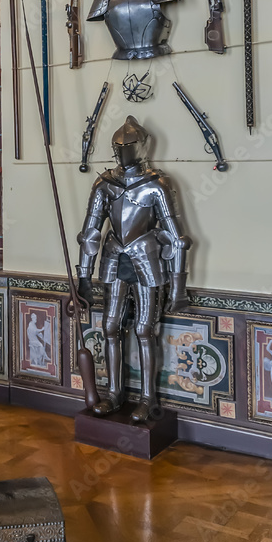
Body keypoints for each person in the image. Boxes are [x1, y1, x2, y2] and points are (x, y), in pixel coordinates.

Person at [77, 116, 190, 423]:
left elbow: (177, 240)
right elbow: (90, 233)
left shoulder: (157, 184)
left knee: (144, 329)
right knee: (110, 328)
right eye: (119, 146)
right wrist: (83, 277)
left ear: (143, 146)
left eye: (129, 145)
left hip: (147, 259)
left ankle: (148, 400)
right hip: (113, 258)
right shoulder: (104, 184)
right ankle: (114, 394)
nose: (124, 150)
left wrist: (178, 288)